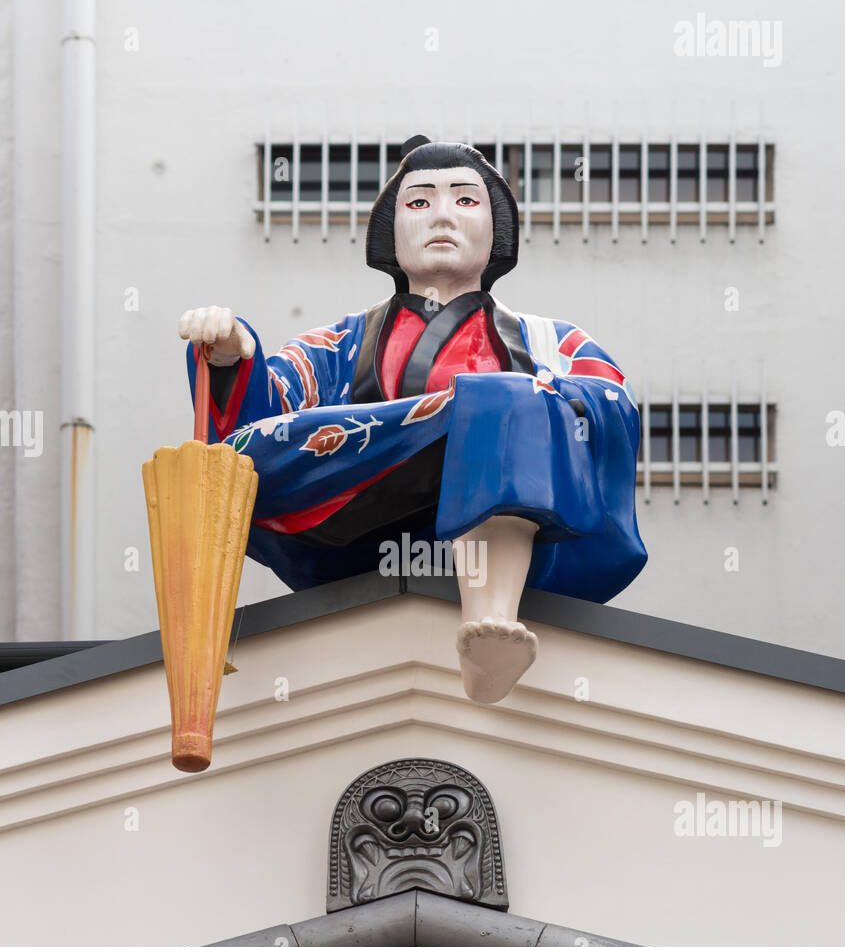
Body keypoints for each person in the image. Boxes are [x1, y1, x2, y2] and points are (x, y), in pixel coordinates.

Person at [178, 137, 646, 703]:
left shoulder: (549, 340)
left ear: (496, 228)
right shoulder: (338, 344)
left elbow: (610, 404)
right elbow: (266, 413)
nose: (442, 216)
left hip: (515, 529)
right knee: (250, 454)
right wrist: (231, 356)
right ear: (391, 231)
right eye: (419, 203)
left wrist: (523, 403)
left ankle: (492, 621)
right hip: (352, 522)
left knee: (508, 402)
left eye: (466, 201)